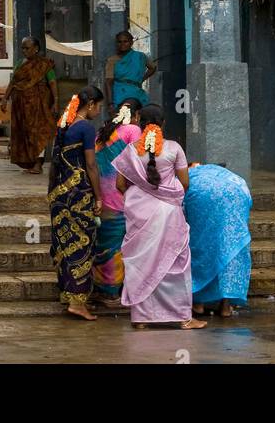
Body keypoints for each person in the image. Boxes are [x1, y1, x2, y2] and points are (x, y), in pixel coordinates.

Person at [113, 104, 206, 330]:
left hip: (139, 214)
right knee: (175, 263)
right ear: (163, 123)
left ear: (139, 122)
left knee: (142, 264)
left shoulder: (130, 150)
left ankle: (142, 319)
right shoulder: (174, 148)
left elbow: (120, 184)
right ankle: (183, 318)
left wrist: (140, 197)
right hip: (169, 214)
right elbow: (185, 183)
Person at [48, 87, 104, 321]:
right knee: (82, 245)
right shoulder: (86, 128)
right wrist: (99, 196)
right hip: (79, 194)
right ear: (90, 104)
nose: (99, 111)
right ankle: (77, 302)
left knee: (65, 243)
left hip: (59, 194)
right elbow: (91, 165)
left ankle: (68, 295)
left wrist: (51, 193)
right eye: (98, 106)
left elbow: (54, 163)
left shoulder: (64, 124)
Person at [91, 98, 142, 309]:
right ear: (136, 116)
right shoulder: (132, 131)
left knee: (104, 245)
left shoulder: (102, 133)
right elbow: (138, 164)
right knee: (116, 249)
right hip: (122, 199)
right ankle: (112, 293)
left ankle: (101, 289)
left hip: (102, 198)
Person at [184, 163, 253, 317]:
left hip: (201, 197)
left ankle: (198, 303)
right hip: (237, 196)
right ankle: (225, 306)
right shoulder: (228, 175)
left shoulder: (189, 175)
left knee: (201, 246)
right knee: (231, 249)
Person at [0, 36, 58, 173]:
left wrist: (55, 101)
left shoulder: (44, 65)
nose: (24, 51)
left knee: (38, 133)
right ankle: (30, 163)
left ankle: (38, 164)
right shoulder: (20, 64)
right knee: (24, 133)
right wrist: (4, 99)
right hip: (21, 106)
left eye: (27, 48)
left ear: (36, 49)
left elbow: (52, 83)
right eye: (23, 48)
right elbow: (13, 82)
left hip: (39, 105)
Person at [105, 29, 156, 110]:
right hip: (120, 93)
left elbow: (153, 68)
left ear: (131, 43)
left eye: (125, 41)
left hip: (137, 92)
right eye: (119, 42)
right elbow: (109, 82)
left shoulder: (140, 56)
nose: (122, 44)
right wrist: (110, 103)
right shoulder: (112, 60)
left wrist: (141, 79)